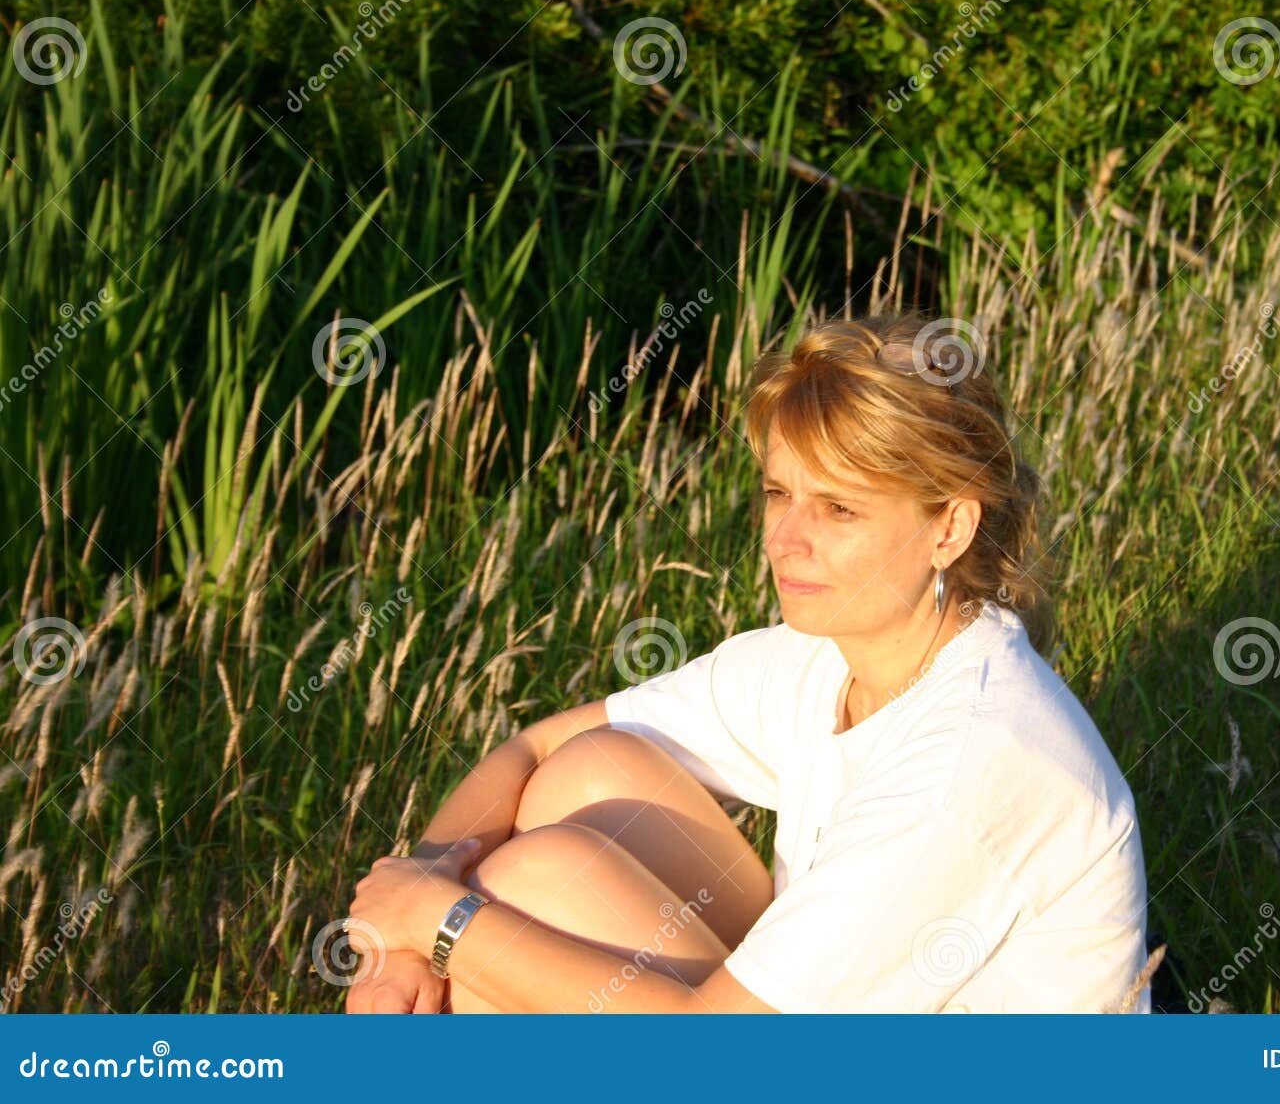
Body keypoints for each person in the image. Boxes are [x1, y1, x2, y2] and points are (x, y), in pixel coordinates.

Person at [346, 311, 1150, 1013]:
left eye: (839, 508)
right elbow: (536, 749)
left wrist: (444, 920)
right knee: (589, 778)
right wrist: (409, 927)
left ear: (951, 528)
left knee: (519, 895)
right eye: (778, 493)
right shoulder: (831, 655)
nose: (784, 539)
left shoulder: (971, 761)